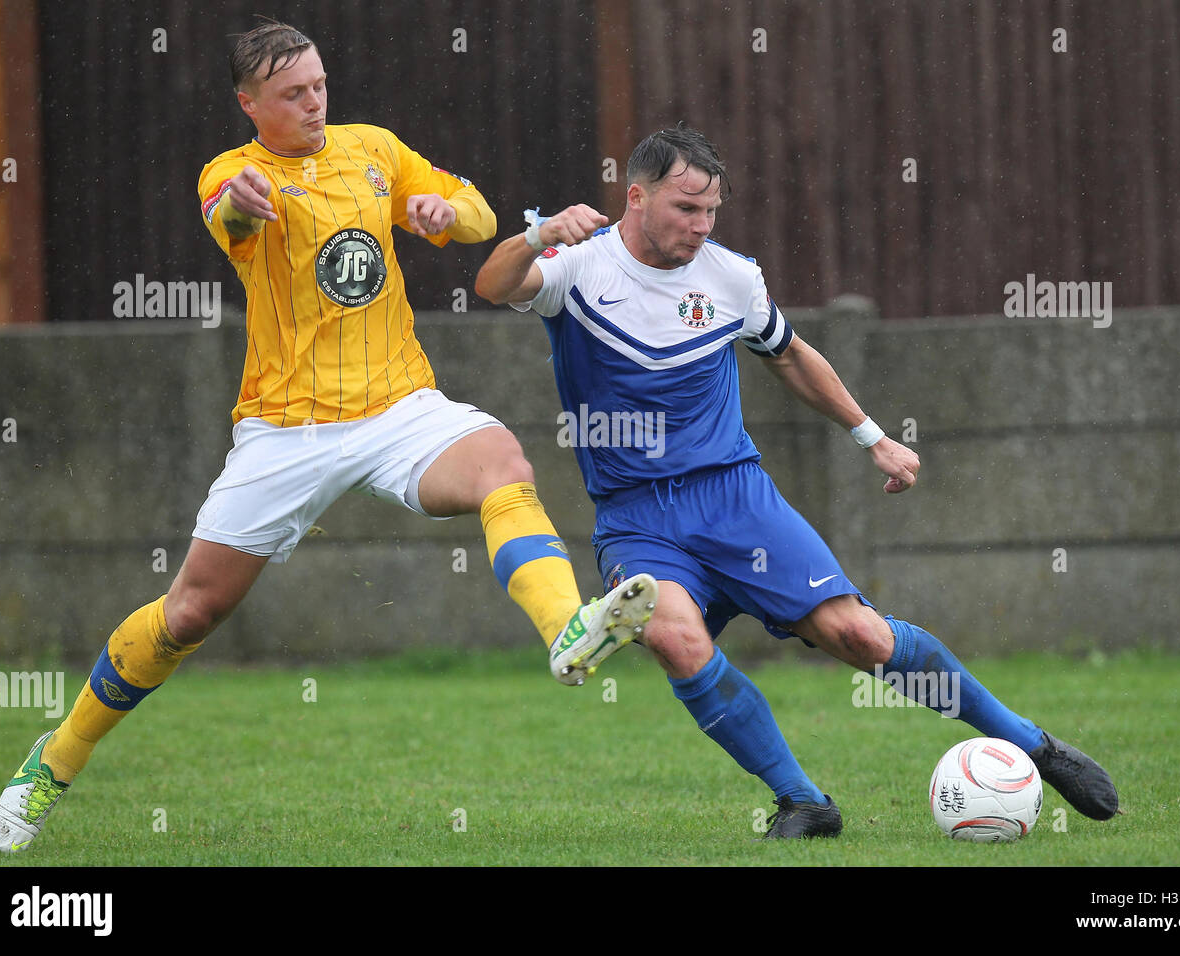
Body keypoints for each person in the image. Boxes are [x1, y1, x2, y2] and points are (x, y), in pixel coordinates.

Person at [0, 20, 655, 855]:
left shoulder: (373, 148)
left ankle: (568, 630)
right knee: (189, 614)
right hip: (285, 431)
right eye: (292, 95)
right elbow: (225, 220)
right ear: (249, 104)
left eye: (319, 86)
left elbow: (481, 217)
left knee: (502, 462)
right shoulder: (234, 173)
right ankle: (54, 758)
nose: (313, 103)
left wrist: (440, 208)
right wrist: (240, 208)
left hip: (397, 406)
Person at [474, 123, 1119, 838]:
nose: (701, 225)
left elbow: (788, 354)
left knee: (861, 637)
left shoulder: (731, 277)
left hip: (735, 498)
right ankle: (803, 801)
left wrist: (872, 436)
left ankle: (1033, 744)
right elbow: (494, 283)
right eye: (686, 208)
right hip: (636, 518)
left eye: (712, 209)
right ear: (636, 196)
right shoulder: (578, 268)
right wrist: (535, 238)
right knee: (677, 641)